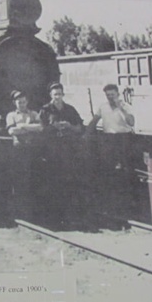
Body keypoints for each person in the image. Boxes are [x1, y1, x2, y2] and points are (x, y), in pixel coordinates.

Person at [39, 82, 85, 228]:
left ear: (63, 94)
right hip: (52, 152)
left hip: (67, 151)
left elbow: (80, 128)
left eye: (59, 94)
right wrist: (53, 127)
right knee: (52, 182)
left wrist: (69, 126)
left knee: (68, 181)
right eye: (55, 95)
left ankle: (69, 214)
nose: (57, 97)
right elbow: (41, 129)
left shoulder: (70, 109)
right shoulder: (45, 110)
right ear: (50, 95)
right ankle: (54, 215)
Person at [87, 83, 137, 218]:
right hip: (109, 139)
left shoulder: (126, 106)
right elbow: (94, 121)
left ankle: (129, 200)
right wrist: (86, 134)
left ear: (118, 94)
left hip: (123, 139)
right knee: (108, 168)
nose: (110, 97)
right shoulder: (103, 106)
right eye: (108, 95)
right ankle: (110, 201)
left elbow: (131, 122)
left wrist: (122, 109)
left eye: (112, 95)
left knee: (126, 168)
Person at [5, 89, 42, 220]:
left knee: (33, 179)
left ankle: (32, 211)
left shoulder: (34, 113)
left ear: (27, 102)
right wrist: (30, 128)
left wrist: (22, 126)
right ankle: (19, 211)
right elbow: (12, 131)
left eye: (23, 102)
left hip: (33, 151)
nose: (21, 104)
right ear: (14, 103)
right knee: (19, 181)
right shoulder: (11, 115)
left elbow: (40, 127)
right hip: (19, 151)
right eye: (19, 102)